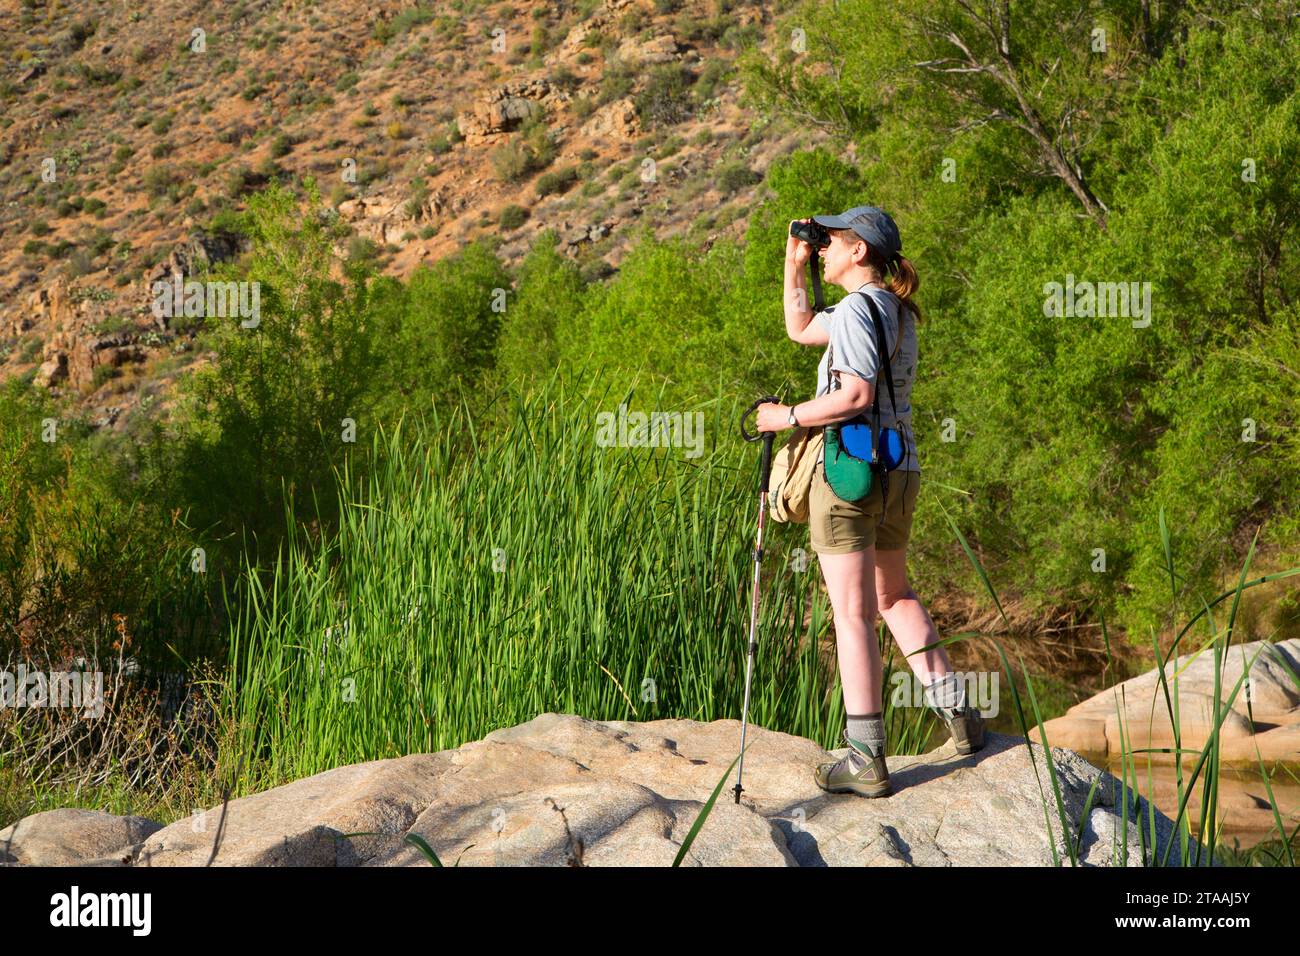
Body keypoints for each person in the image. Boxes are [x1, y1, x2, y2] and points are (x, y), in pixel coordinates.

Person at [755, 205, 985, 798]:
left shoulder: (858, 310)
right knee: (895, 595)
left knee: (852, 615)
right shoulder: (892, 310)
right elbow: (801, 328)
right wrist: (793, 265)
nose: (822, 248)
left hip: (852, 473)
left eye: (831, 242)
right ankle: (961, 716)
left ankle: (865, 757)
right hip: (900, 466)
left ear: (860, 251)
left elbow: (854, 393)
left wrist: (787, 418)